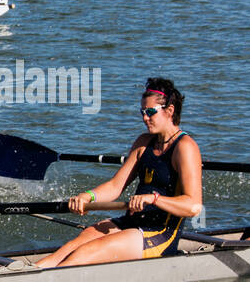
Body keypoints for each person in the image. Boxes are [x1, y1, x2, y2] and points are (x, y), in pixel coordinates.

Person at [37, 78, 203, 267]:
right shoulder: (143, 142)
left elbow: (193, 206)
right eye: (142, 112)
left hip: (159, 233)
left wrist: (154, 199)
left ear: (170, 111)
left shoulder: (185, 148)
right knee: (72, 246)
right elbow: (116, 186)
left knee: (87, 251)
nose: (144, 118)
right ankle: (30, 273)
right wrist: (88, 196)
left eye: (150, 112)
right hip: (131, 221)